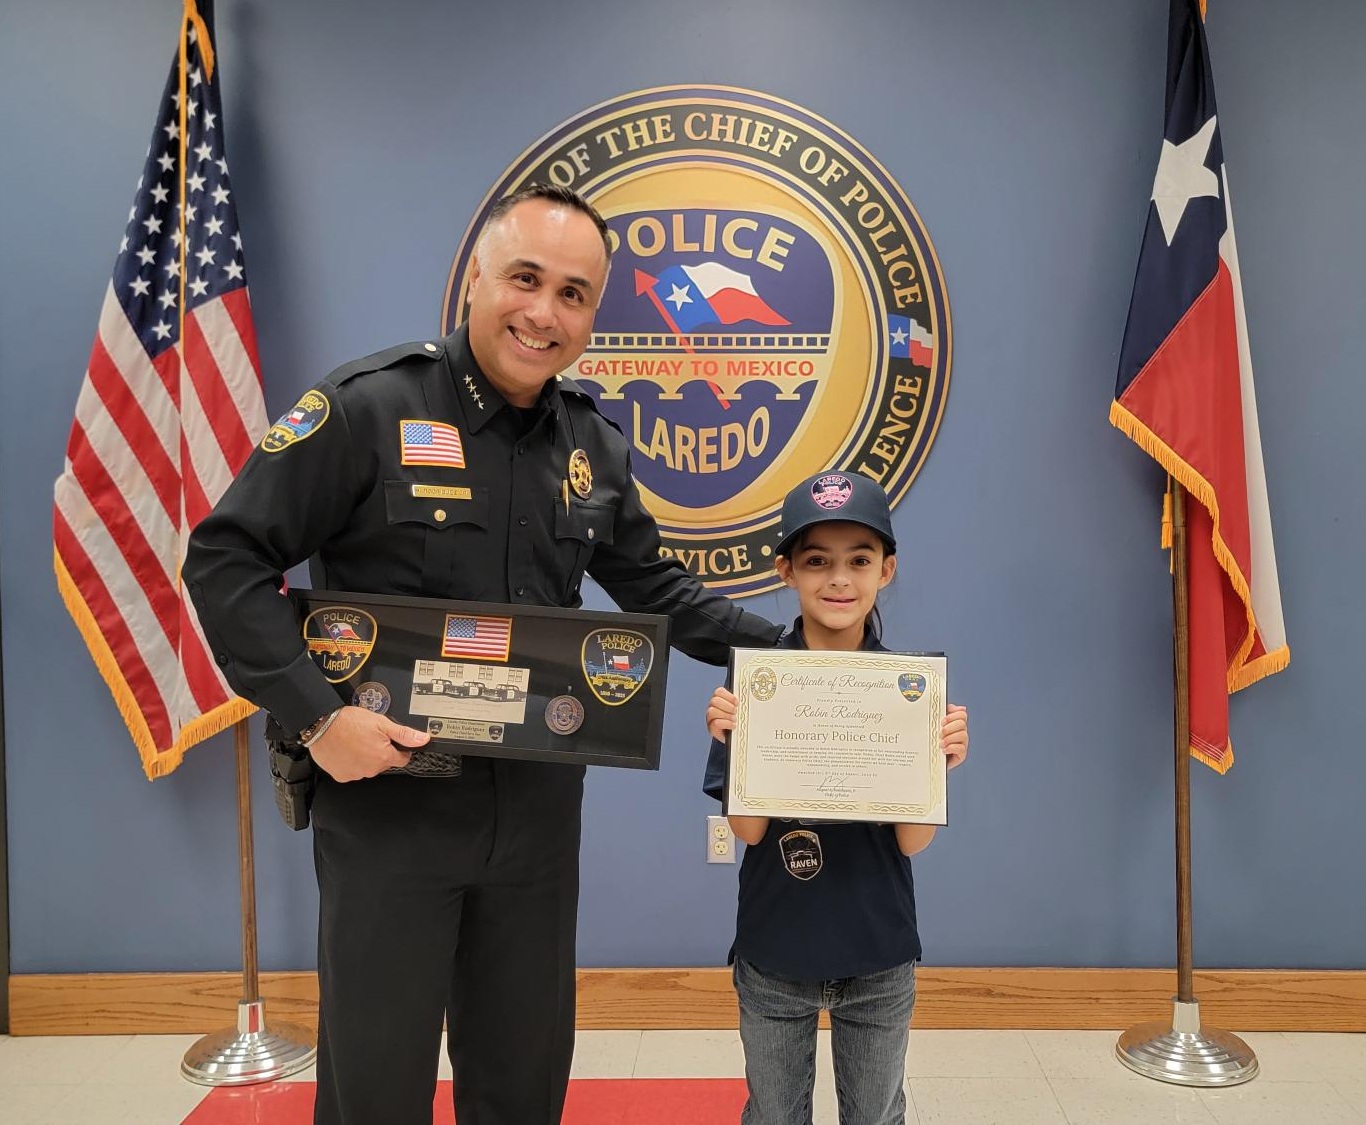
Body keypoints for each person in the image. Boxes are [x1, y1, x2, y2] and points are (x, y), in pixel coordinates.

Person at [182, 182, 782, 1125]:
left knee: (524, 1074)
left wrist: (801, 654)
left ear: (593, 316)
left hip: (537, 813)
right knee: (376, 1083)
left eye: (575, 294)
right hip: (390, 807)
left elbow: (657, 589)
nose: (545, 313)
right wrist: (316, 714)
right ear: (475, 278)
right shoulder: (365, 410)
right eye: (527, 279)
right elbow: (224, 559)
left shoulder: (592, 444)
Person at [702, 470, 969, 1125]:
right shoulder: (755, 684)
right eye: (817, 561)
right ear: (786, 570)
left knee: (876, 1114)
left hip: (876, 949)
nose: (839, 579)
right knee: (773, 1112)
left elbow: (912, 842)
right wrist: (739, 743)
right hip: (776, 948)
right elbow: (750, 830)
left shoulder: (910, 691)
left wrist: (935, 762)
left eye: (859, 559)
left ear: (888, 569)